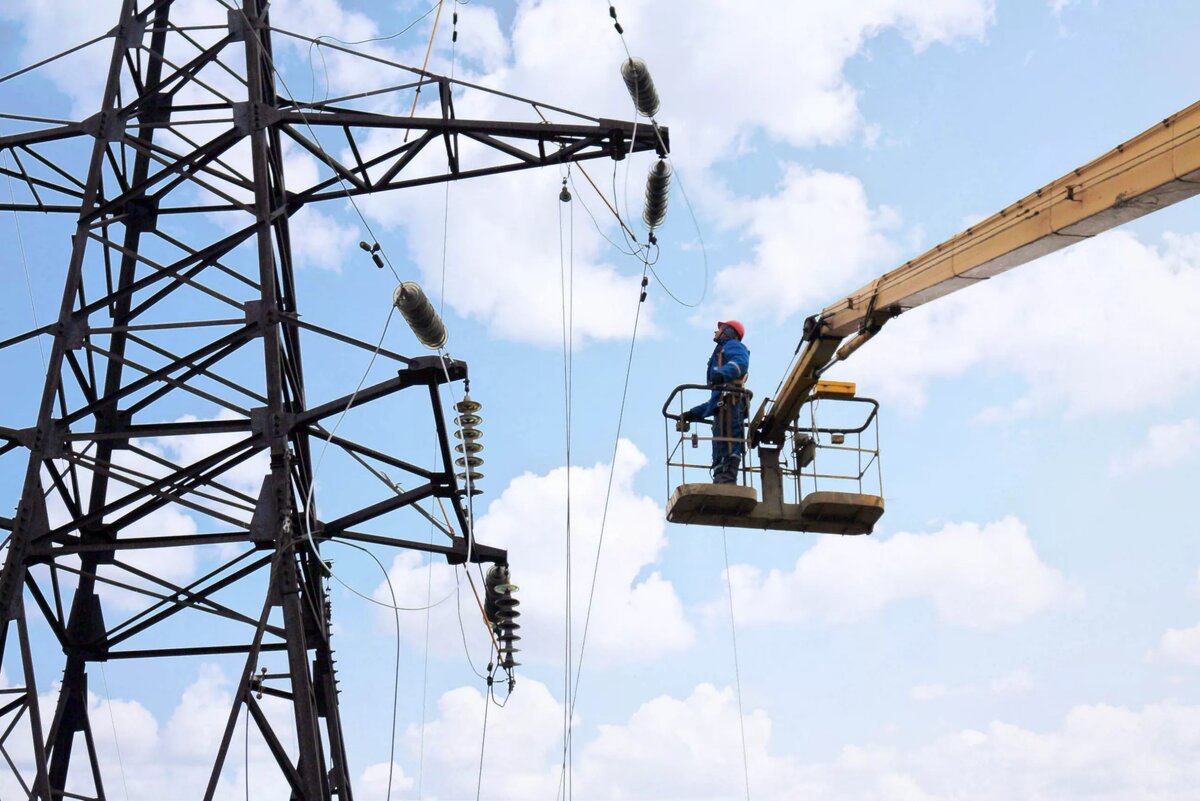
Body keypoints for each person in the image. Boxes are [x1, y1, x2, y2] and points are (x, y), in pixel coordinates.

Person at [679, 320, 750, 484]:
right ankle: (721, 477)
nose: (716, 332)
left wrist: (722, 373)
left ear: (728, 332)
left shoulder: (733, 345)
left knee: (730, 440)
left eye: (719, 329)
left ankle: (727, 477)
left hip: (732, 404)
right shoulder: (721, 394)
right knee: (722, 441)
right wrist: (692, 413)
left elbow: (741, 362)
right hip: (725, 406)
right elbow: (714, 403)